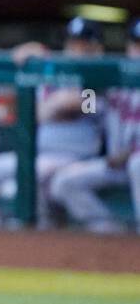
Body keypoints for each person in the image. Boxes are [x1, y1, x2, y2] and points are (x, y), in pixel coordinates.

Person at [0, 18, 105, 228]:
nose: (75, 48)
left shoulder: (101, 75)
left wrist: (50, 108)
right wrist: (37, 49)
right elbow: (17, 60)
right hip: (35, 155)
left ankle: (98, 233)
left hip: (75, 157)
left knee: (27, 183)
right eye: (72, 42)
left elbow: (77, 104)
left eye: (82, 43)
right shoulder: (54, 70)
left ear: (96, 47)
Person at [47, 19, 140, 232]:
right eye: (136, 45)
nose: (138, 51)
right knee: (63, 183)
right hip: (114, 163)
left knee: (137, 164)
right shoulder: (114, 79)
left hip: (132, 159)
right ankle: (109, 230)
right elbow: (88, 106)